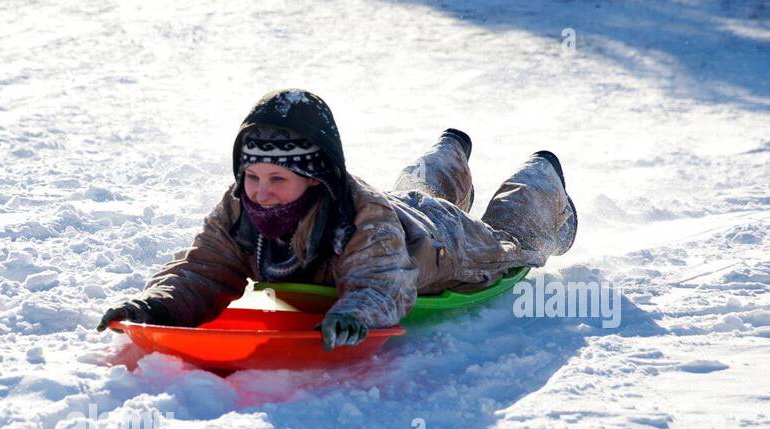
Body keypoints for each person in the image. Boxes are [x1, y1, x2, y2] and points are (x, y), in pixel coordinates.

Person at [97, 88, 577, 349]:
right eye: (252, 176)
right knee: (414, 190)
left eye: (278, 179)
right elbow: (203, 269)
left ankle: (543, 177)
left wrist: (356, 313)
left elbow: (382, 281)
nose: (261, 193)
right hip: (401, 206)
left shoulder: (359, 219)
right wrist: (154, 308)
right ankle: (450, 151)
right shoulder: (240, 211)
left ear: (316, 178)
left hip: (441, 242)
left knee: (512, 242)